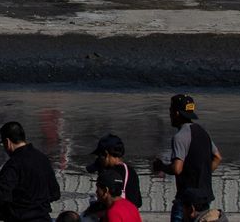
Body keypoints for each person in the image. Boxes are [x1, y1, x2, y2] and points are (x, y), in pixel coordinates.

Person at [0, 122, 59, 222]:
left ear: (7, 142)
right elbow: (55, 193)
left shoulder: (13, 164)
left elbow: (1, 195)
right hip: (43, 218)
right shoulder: (42, 159)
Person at [153, 94, 221, 222]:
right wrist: (203, 174)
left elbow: (177, 169)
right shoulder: (202, 132)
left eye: (170, 111)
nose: (169, 115)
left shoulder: (180, 136)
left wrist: (161, 166)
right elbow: (217, 157)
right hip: (204, 198)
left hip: (187, 200)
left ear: (177, 113)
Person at [83, 136, 143, 219]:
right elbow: (138, 202)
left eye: (99, 156)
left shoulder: (110, 175)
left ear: (106, 154)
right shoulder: (131, 172)